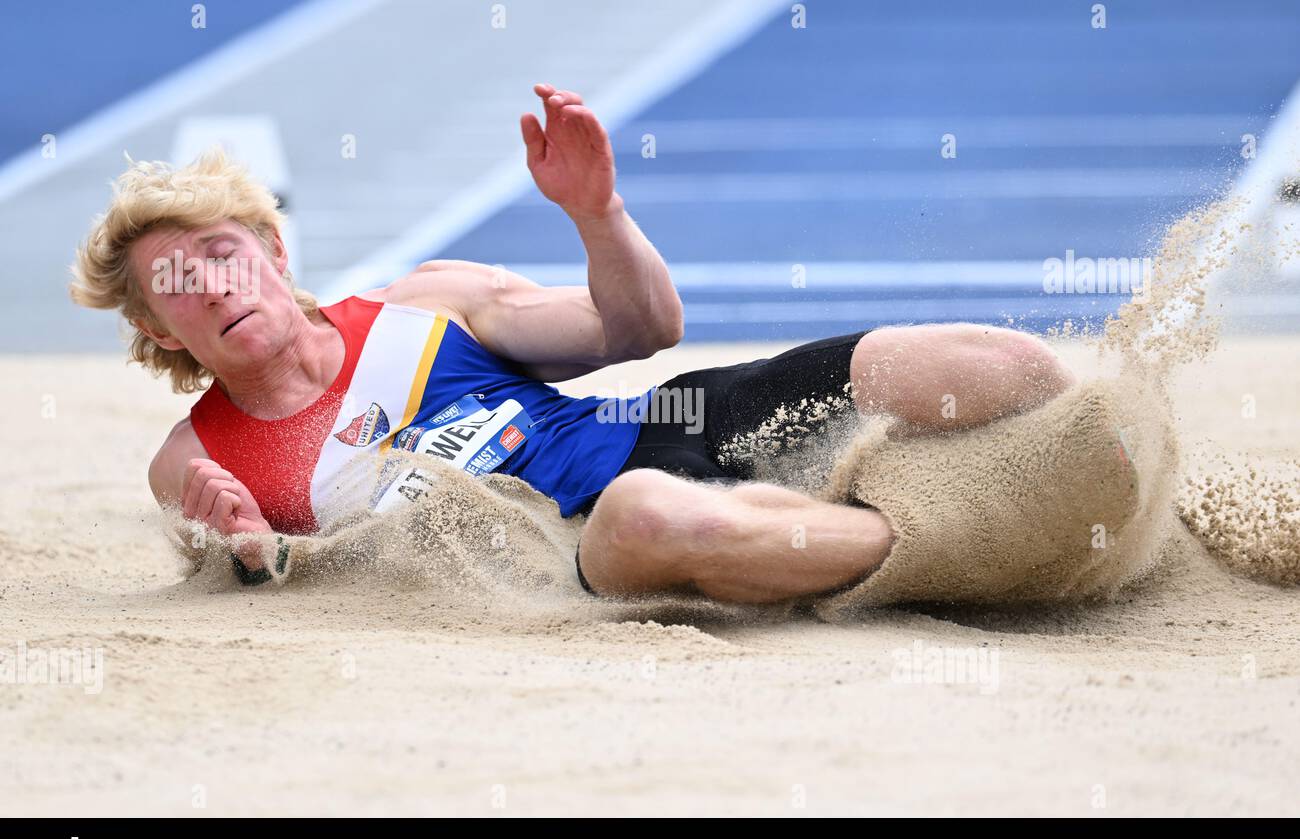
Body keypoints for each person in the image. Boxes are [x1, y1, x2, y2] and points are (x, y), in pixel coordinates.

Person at [70, 84, 1074, 604]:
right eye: (176, 285)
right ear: (161, 329)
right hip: (581, 541)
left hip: (666, 425)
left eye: (218, 253)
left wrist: (598, 215)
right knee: (644, 514)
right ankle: (957, 551)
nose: (212, 286)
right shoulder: (195, 459)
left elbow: (640, 330)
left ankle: (1101, 456)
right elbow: (248, 577)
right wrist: (246, 548)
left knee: (993, 368)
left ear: (271, 248)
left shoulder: (428, 302)